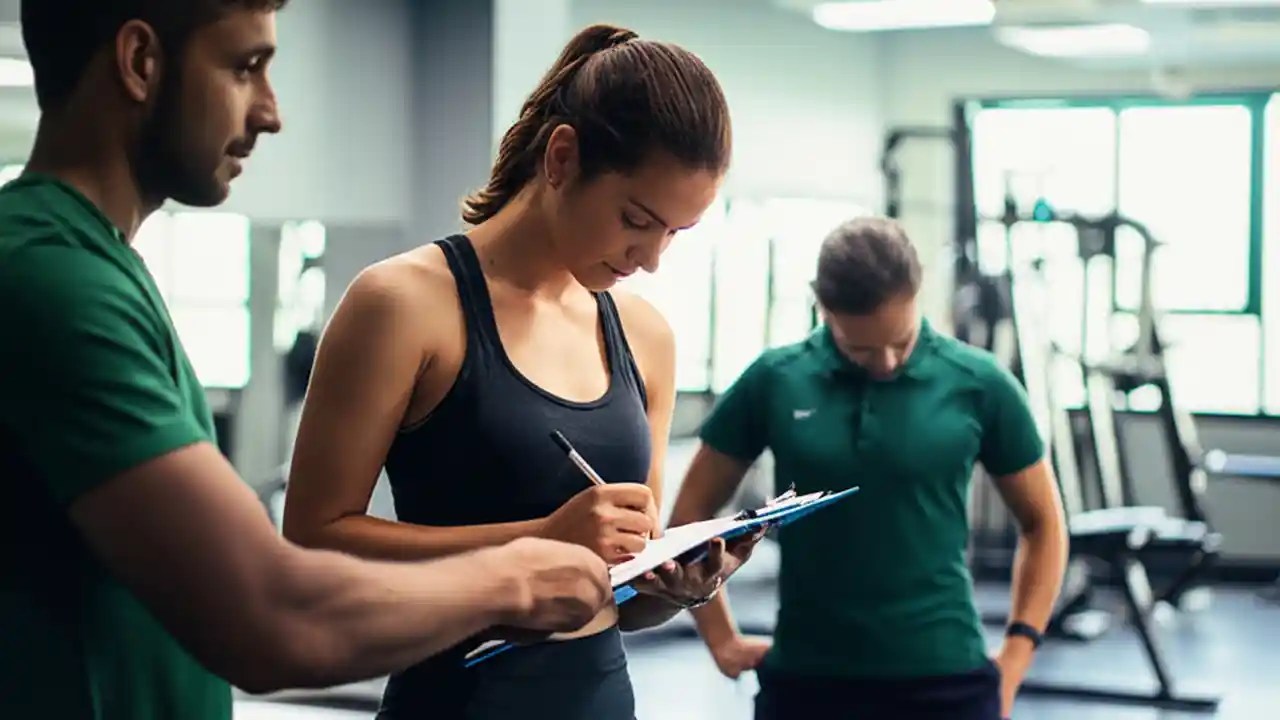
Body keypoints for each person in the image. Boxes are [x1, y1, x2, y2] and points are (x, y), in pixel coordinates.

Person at [0, 2, 616, 718]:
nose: (270, 113)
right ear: (140, 61)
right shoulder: (50, 278)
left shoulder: (100, 267)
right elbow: (273, 617)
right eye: (245, 67)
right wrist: (518, 577)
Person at [281, 23, 762, 720]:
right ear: (562, 157)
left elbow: (622, 602)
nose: (650, 258)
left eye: (674, 234)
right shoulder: (403, 304)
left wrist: (679, 584)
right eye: (636, 219)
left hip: (600, 699)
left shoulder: (644, 335)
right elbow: (310, 543)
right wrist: (539, 538)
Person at [669, 217, 1069, 720]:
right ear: (824, 308)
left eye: (899, 342)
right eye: (861, 348)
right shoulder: (775, 379)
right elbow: (691, 514)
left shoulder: (980, 383)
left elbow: (1044, 523)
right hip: (806, 682)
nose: (884, 362)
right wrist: (720, 638)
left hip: (945, 678)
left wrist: (1016, 655)